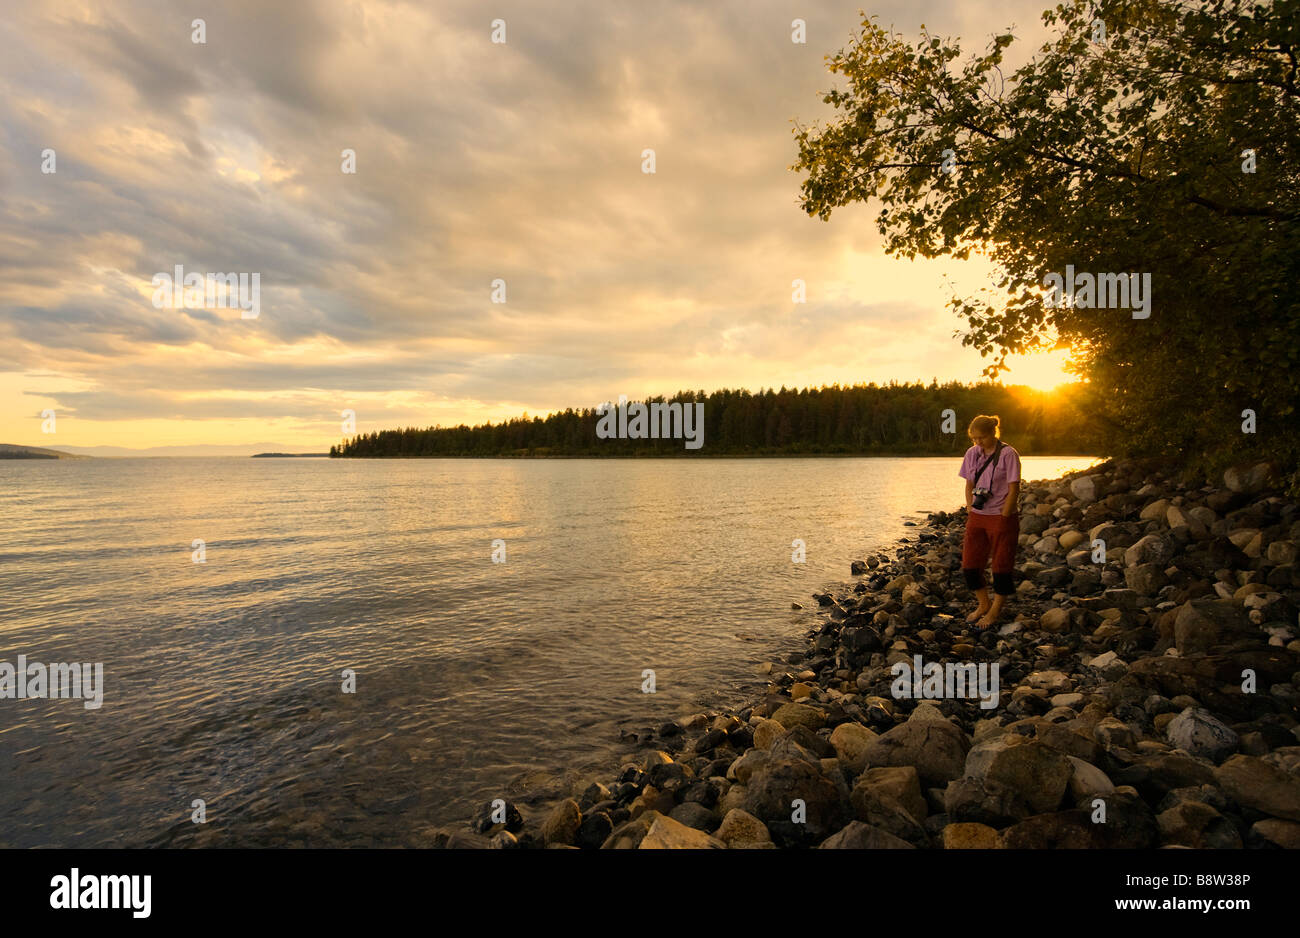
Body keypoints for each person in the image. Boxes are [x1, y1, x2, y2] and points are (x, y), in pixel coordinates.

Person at [957, 415, 1021, 629]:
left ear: (993, 433)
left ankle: (995, 611)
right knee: (970, 565)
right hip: (978, 514)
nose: (978, 443)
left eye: (981, 438)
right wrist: (969, 506)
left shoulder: (1008, 454)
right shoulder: (972, 453)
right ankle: (983, 603)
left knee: (1001, 567)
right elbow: (969, 484)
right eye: (974, 439)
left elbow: (1014, 488)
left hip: (1002, 517)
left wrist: (1005, 514)